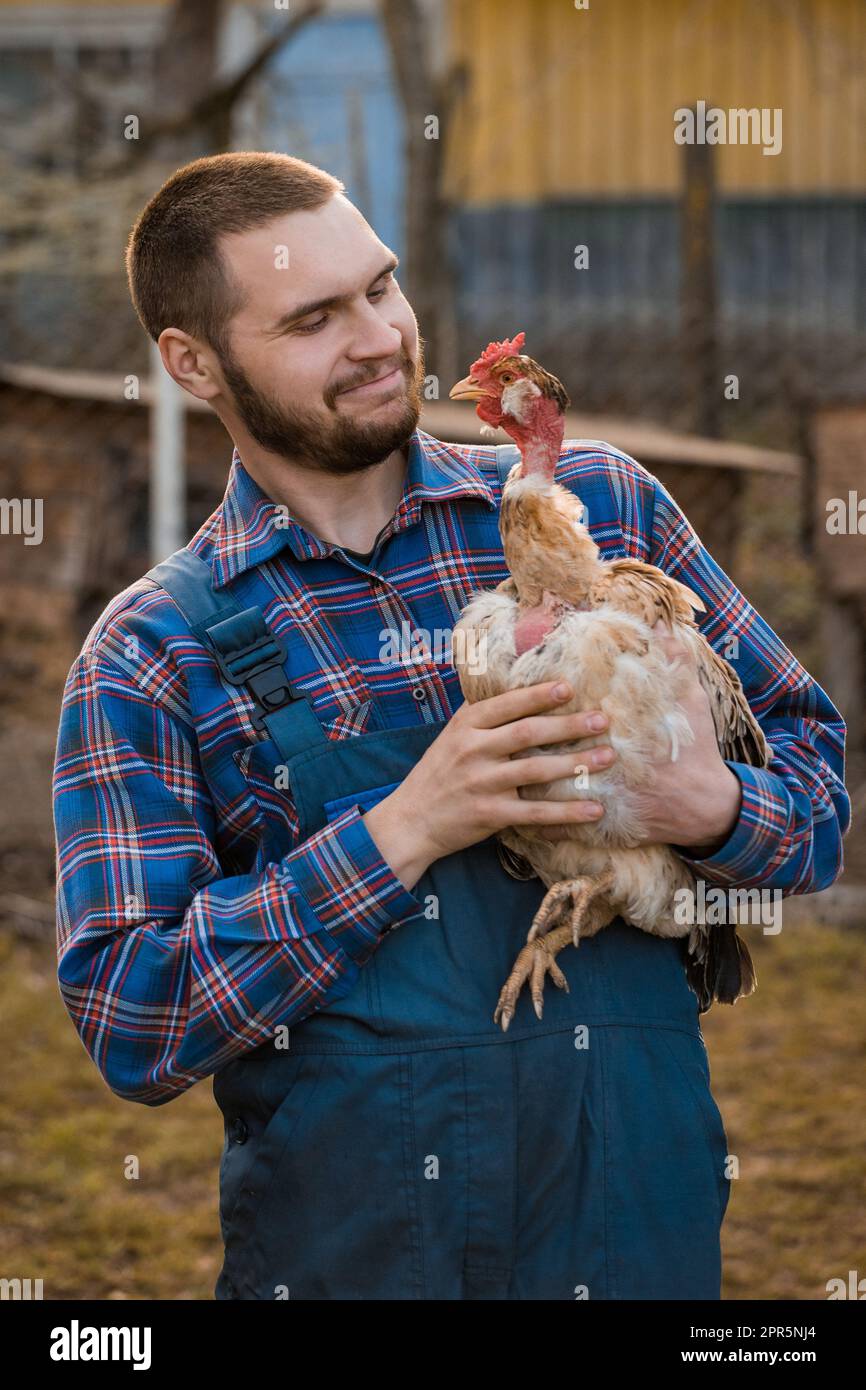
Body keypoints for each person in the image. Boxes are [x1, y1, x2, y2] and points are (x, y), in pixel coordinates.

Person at [52, 152, 849, 1301]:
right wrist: (401, 832)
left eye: (380, 288)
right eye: (315, 318)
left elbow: (817, 803)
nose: (378, 336)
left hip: (631, 1213)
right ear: (193, 363)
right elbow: (135, 1020)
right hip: (363, 1248)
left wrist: (711, 805)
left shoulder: (602, 509)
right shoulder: (155, 648)